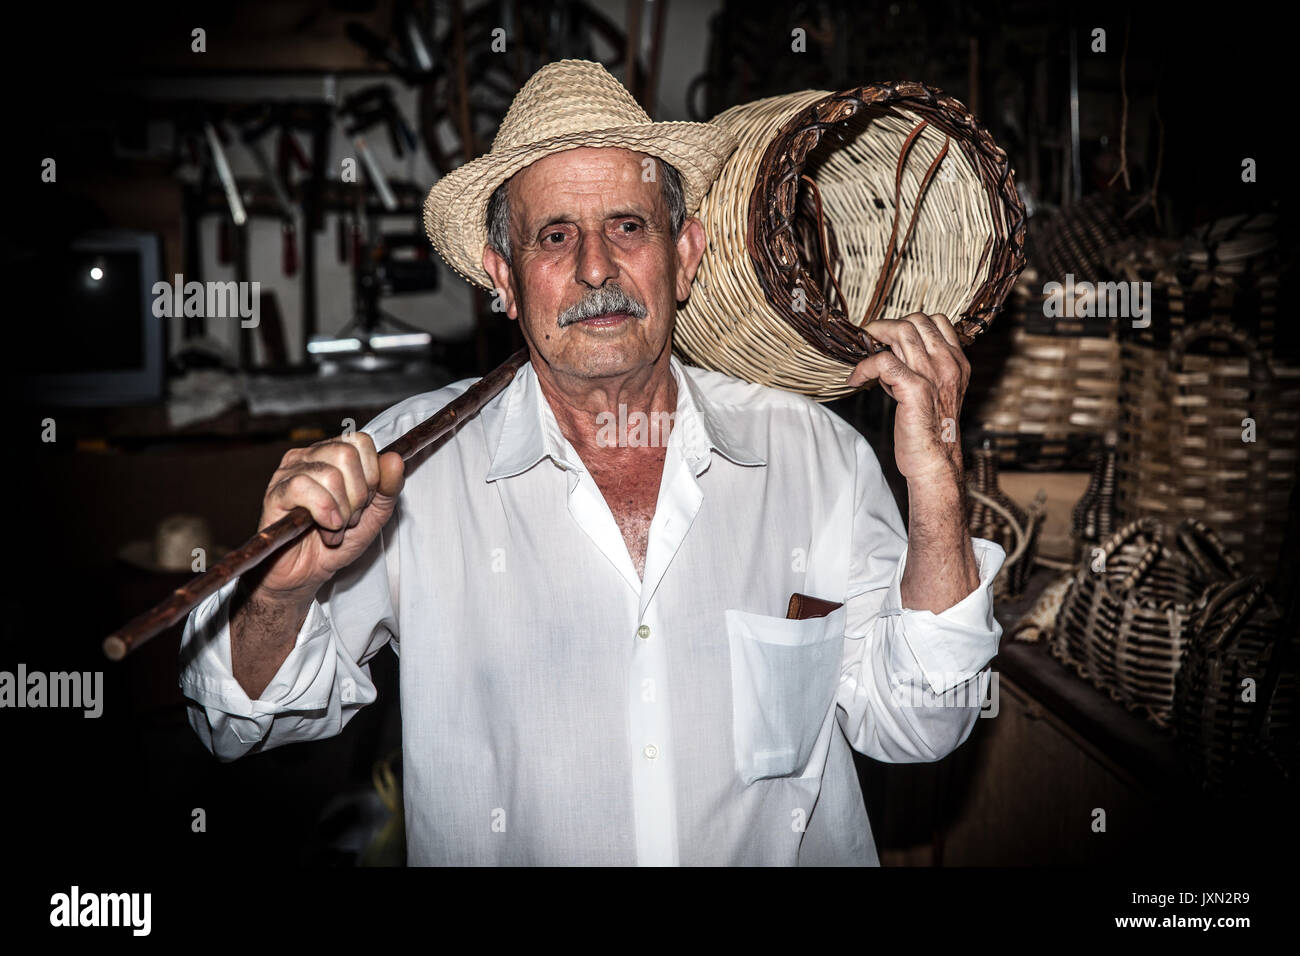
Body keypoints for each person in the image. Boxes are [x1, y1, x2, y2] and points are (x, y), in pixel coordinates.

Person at [180, 59, 1004, 865]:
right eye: (555, 235)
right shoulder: (409, 466)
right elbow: (239, 726)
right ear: (503, 278)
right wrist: (278, 594)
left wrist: (936, 478)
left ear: (685, 256)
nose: (597, 267)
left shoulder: (815, 455)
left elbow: (919, 723)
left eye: (629, 226)